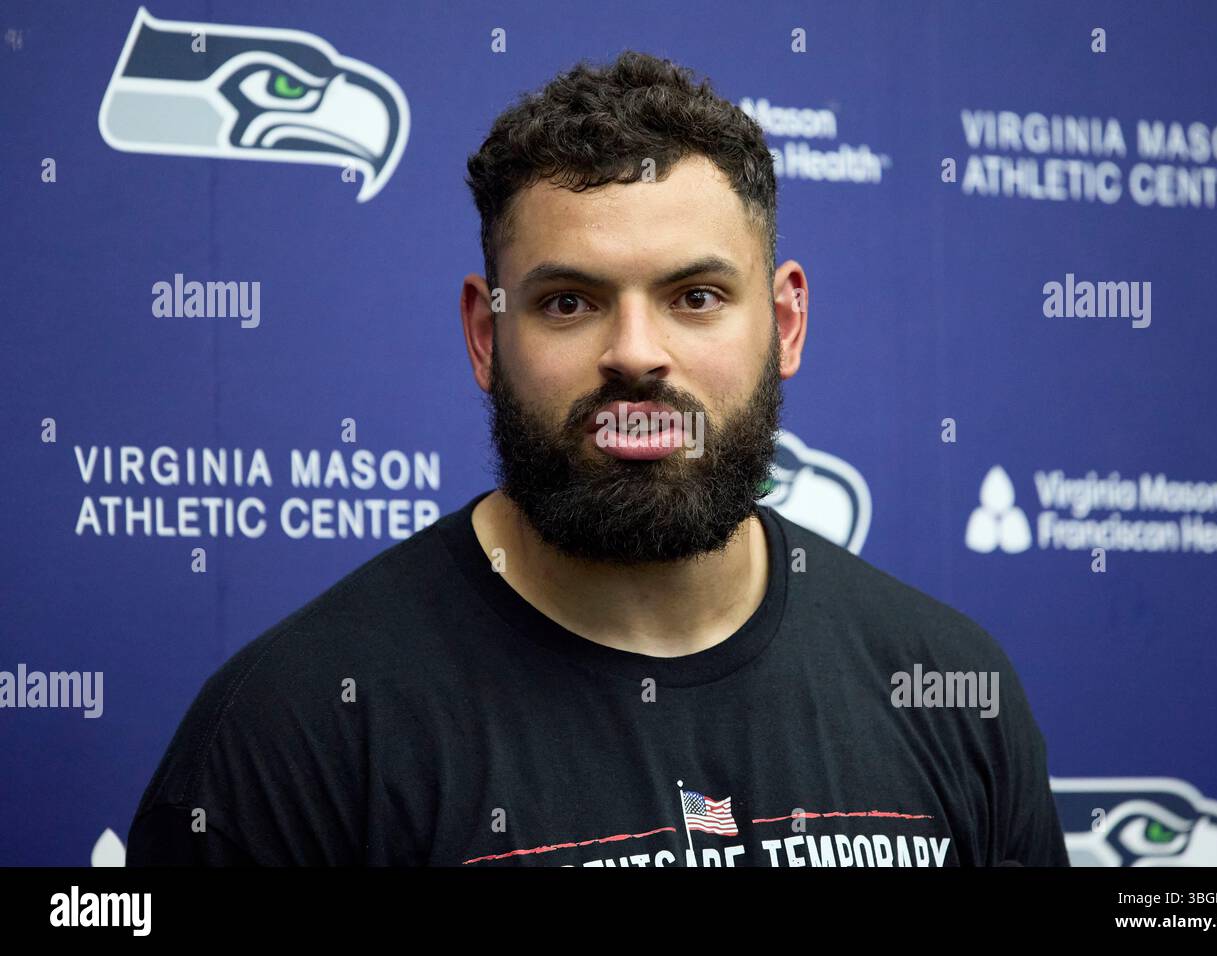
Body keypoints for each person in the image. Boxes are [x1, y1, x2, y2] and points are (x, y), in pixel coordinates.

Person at [126, 50, 1069, 867]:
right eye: (569, 303)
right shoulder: (296, 734)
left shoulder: (950, 690)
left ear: (785, 323)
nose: (634, 354)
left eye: (695, 296)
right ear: (485, 336)